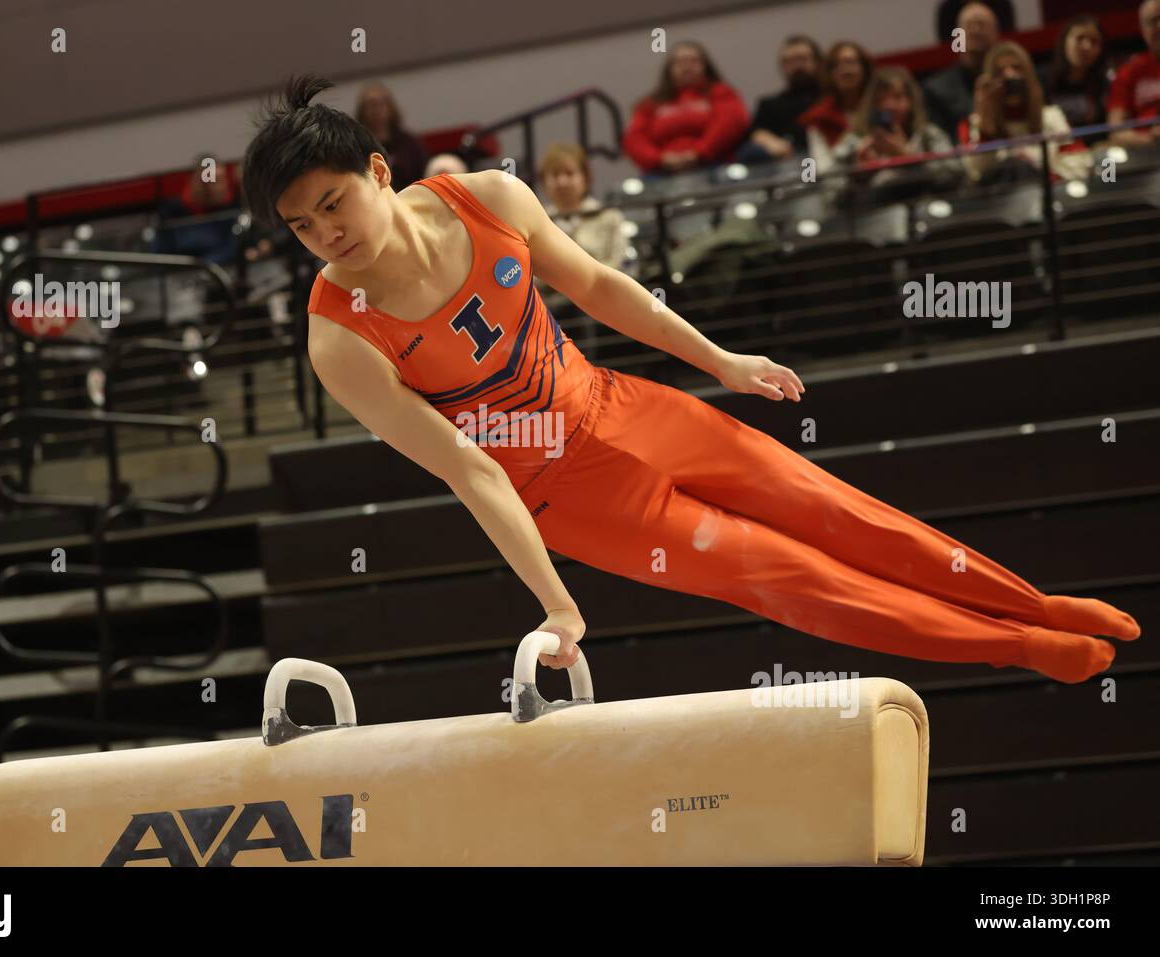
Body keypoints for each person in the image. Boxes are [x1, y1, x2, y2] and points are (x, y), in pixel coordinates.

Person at [244, 74, 1139, 683]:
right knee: (797, 576)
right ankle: (1019, 645)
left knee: (835, 509)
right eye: (302, 227)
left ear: (377, 171)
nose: (327, 233)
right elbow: (469, 470)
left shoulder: (489, 199)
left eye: (334, 203)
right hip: (570, 496)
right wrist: (559, 606)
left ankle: (1034, 599)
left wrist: (721, 361)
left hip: (631, 406)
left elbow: (598, 286)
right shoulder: (341, 341)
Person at [535, 143, 630, 356]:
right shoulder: (535, 223)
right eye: (555, 175)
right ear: (545, 181)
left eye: (569, 173)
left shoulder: (608, 216)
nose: (562, 181)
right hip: (551, 306)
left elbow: (620, 263)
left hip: (600, 303)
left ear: (585, 178)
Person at [960, 41, 1092, 183]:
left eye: (1017, 68)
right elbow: (976, 174)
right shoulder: (975, 124)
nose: (1009, 75)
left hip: (1048, 193)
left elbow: (1080, 164)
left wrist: (1039, 174)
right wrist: (985, 123)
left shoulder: (1051, 117)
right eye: (1000, 71)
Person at [622, 41, 751, 176]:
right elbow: (634, 138)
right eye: (680, 62)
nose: (687, 66)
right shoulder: (650, 104)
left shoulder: (722, 93)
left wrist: (698, 153)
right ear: (670, 69)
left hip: (714, 165)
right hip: (662, 171)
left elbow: (729, 125)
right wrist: (660, 159)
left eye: (693, 61)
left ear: (705, 66)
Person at [834, 66, 962, 197]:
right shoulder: (854, 140)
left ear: (911, 101)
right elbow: (831, 191)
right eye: (881, 99)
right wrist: (858, 174)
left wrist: (910, 158)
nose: (889, 106)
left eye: (897, 97)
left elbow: (954, 176)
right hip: (872, 212)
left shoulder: (928, 135)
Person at [738, 35, 824, 165]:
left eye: (802, 59)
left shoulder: (833, 98)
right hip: (793, 167)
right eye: (790, 61)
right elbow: (756, 132)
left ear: (817, 61)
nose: (797, 66)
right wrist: (769, 141)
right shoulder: (770, 105)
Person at [924, 2, 1002, 141]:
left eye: (982, 25)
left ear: (996, 34)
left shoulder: (1009, 79)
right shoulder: (936, 90)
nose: (976, 30)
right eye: (970, 25)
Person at [798, 41, 874, 175]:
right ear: (829, 74)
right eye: (837, 66)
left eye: (851, 62)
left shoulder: (884, 106)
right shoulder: (818, 118)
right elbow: (822, 168)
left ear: (864, 69)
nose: (845, 70)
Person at [1039, 15, 1113, 144]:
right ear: (1064, 41)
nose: (1086, 46)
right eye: (1080, 38)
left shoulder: (1105, 85)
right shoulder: (1042, 80)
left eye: (1094, 42)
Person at [355, 82, 430, 191]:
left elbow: (425, 174)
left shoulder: (410, 143)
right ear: (362, 111)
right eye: (371, 105)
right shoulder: (358, 145)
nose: (376, 110)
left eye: (380, 104)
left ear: (390, 107)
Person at [1108, 0, 1160, 147]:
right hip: (1146, 155)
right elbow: (1116, 131)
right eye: (1152, 21)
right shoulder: (1128, 72)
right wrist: (1150, 139)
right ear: (1142, 29)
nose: (1159, 26)